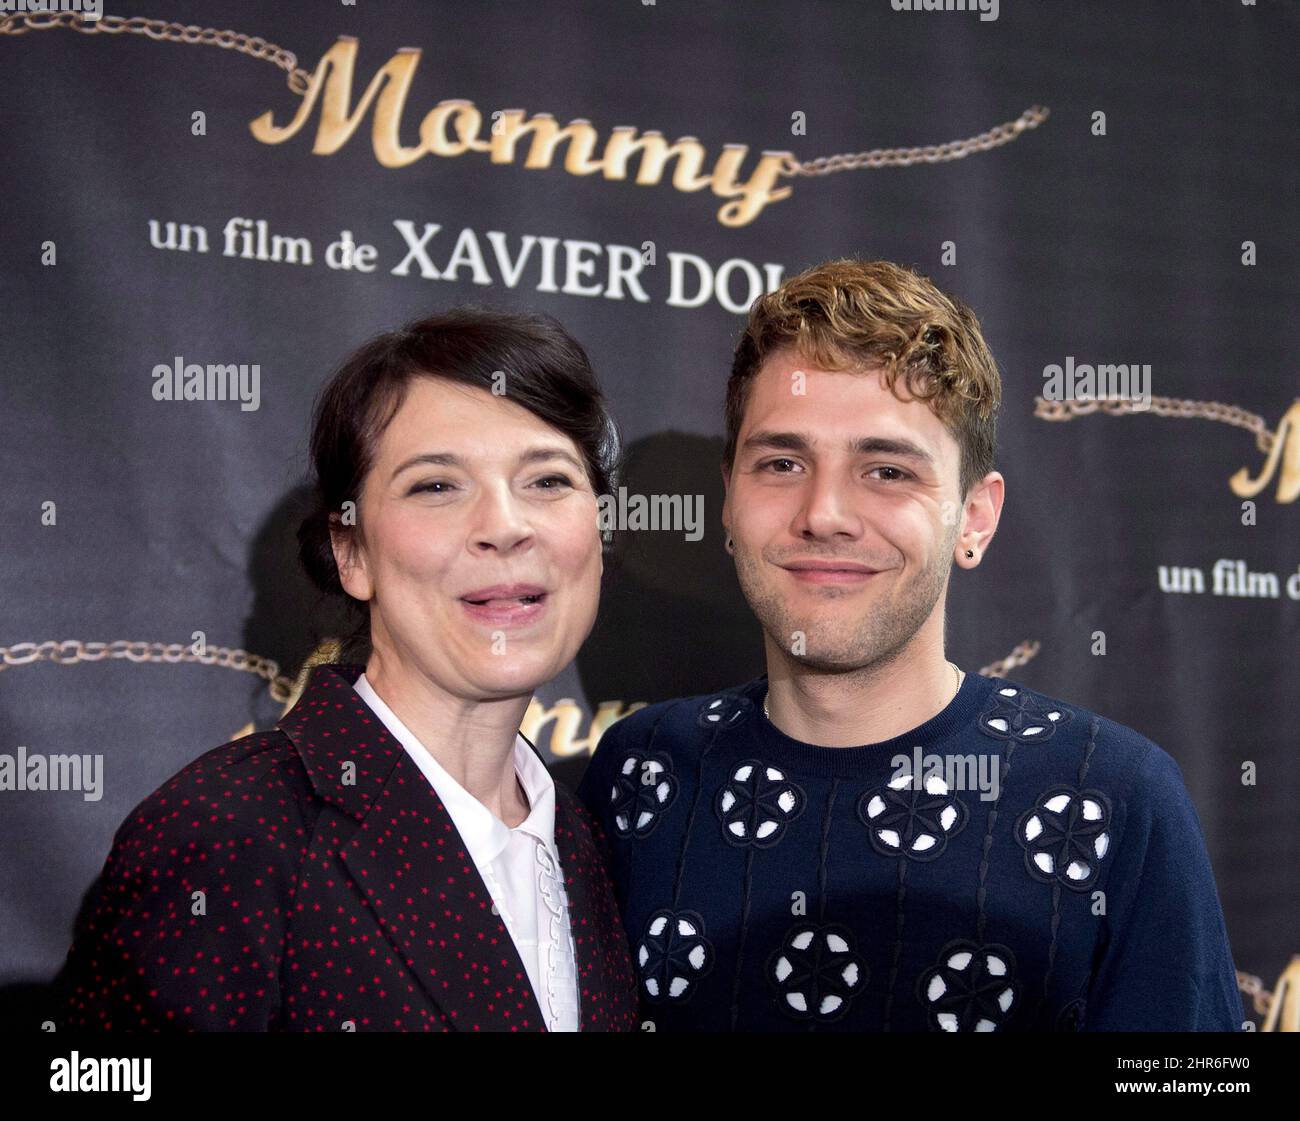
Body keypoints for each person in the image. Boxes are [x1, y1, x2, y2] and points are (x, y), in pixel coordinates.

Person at [577, 258, 1245, 1032]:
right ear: (729, 500)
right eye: (783, 463)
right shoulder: (638, 774)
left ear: (975, 517)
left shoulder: (1118, 797)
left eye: (887, 469)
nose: (824, 512)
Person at [57, 306, 638, 1031]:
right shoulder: (227, 834)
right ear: (351, 551)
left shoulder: (590, 846)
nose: (505, 525)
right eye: (436, 486)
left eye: (548, 480)